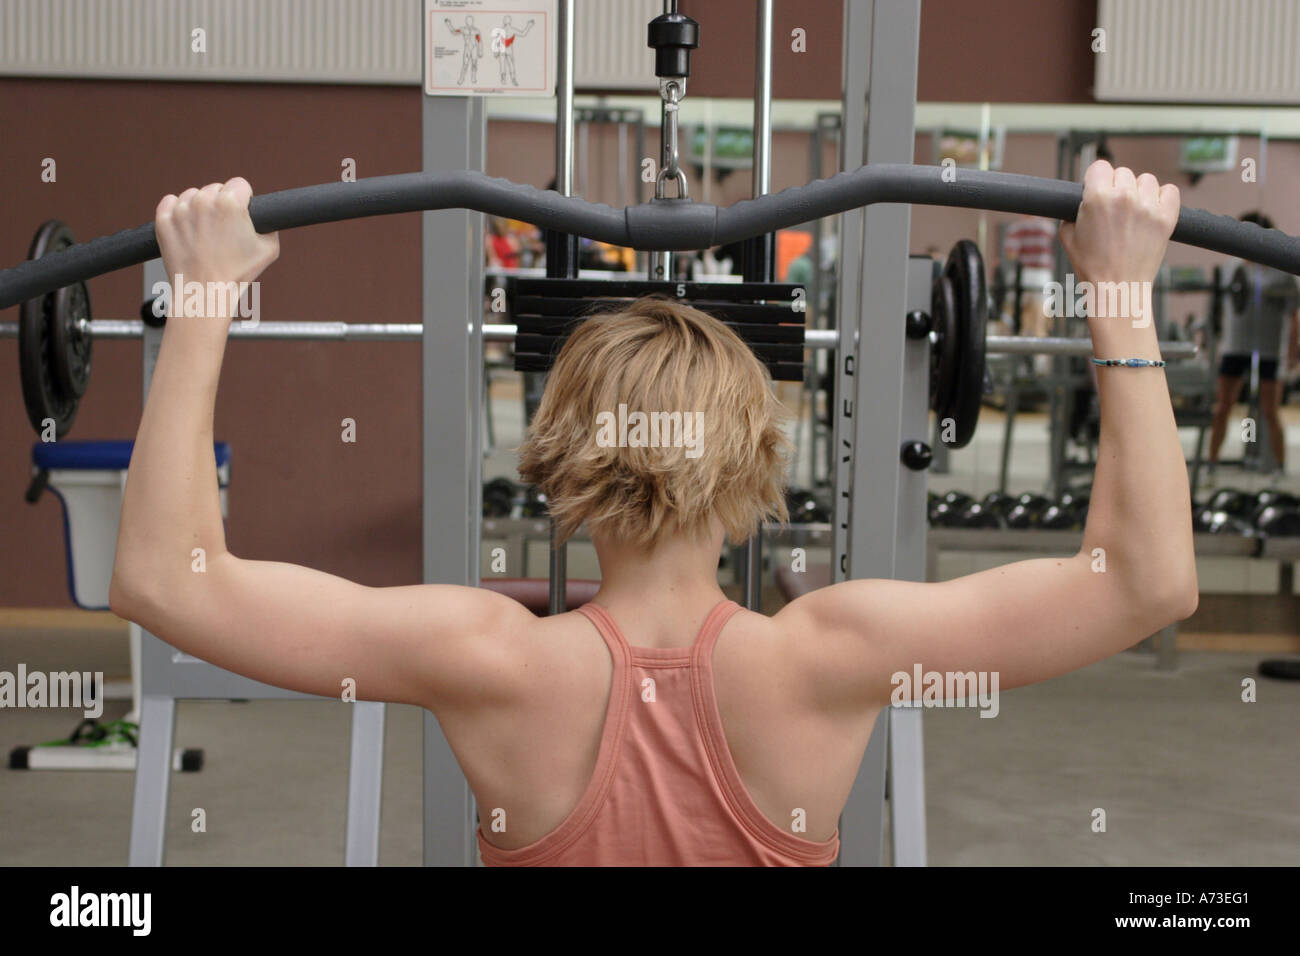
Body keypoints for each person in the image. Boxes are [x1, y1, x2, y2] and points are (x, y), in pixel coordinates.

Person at [110, 162, 1196, 866]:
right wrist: (1118, 291)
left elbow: (165, 578)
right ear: (752, 472)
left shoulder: (482, 656)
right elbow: (1146, 582)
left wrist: (201, 294)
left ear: (559, 470)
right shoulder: (836, 651)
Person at [1208, 211, 1300, 475]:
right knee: (1222, 408)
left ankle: (1280, 469)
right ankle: (1212, 464)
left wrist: (1291, 354)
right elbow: (1219, 310)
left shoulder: (1281, 274)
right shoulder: (1229, 270)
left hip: (1269, 351)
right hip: (1235, 348)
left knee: (1270, 411)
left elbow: (1294, 318)